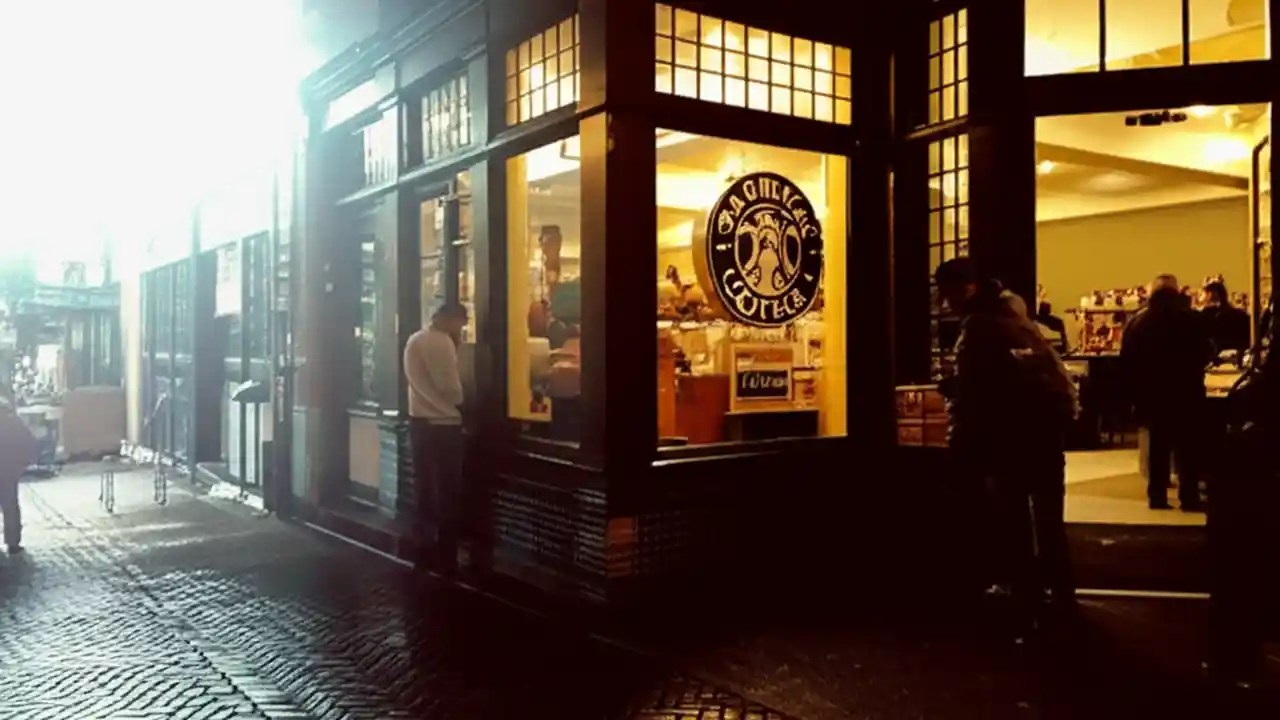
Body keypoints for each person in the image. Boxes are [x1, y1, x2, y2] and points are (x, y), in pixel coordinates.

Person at [935, 258, 1079, 626]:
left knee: (1013, 514)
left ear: (962, 290)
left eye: (948, 293)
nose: (945, 302)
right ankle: (1061, 591)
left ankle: (1026, 591)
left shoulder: (978, 329)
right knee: (1049, 516)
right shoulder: (1018, 320)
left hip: (1010, 437)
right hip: (1047, 431)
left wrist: (958, 443)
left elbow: (973, 395)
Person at [1120, 274, 1214, 511]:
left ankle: (1157, 495)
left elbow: (1127, 359)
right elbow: (1206, 351)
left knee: (1158, 447)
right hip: (1186, 390)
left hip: (1151, 393)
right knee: (1188, 447)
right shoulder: (1190, 319)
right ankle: (1189, 495)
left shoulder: (1137, 322)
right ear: (1176, 292)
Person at [403, 303, 468, 575]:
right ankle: (446, 549)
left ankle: (424, 542)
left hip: (419, 421)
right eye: (461, 324)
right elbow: (451, 388)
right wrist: (463, 403)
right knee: (448, 488)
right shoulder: (441, 343)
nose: (461, 329)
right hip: (444, 424)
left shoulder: (414, 339)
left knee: (425, 485)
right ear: (450, 320)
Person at [0, 396, 37, 554]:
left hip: (8, 471)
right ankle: (13, 542)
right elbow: (29, 443)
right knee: (10, 507)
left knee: (11, 507)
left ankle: (13, 541)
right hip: (9, 473)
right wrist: (23, 464)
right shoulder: (14, 423)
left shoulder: (13, 424)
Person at [1199, 280, 1251, 361]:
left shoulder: (1209, 314)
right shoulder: (1239, 313)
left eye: (1203, 294)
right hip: (1238, 354)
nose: (1202, 297)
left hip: (1215, 356)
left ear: (1210, 294)